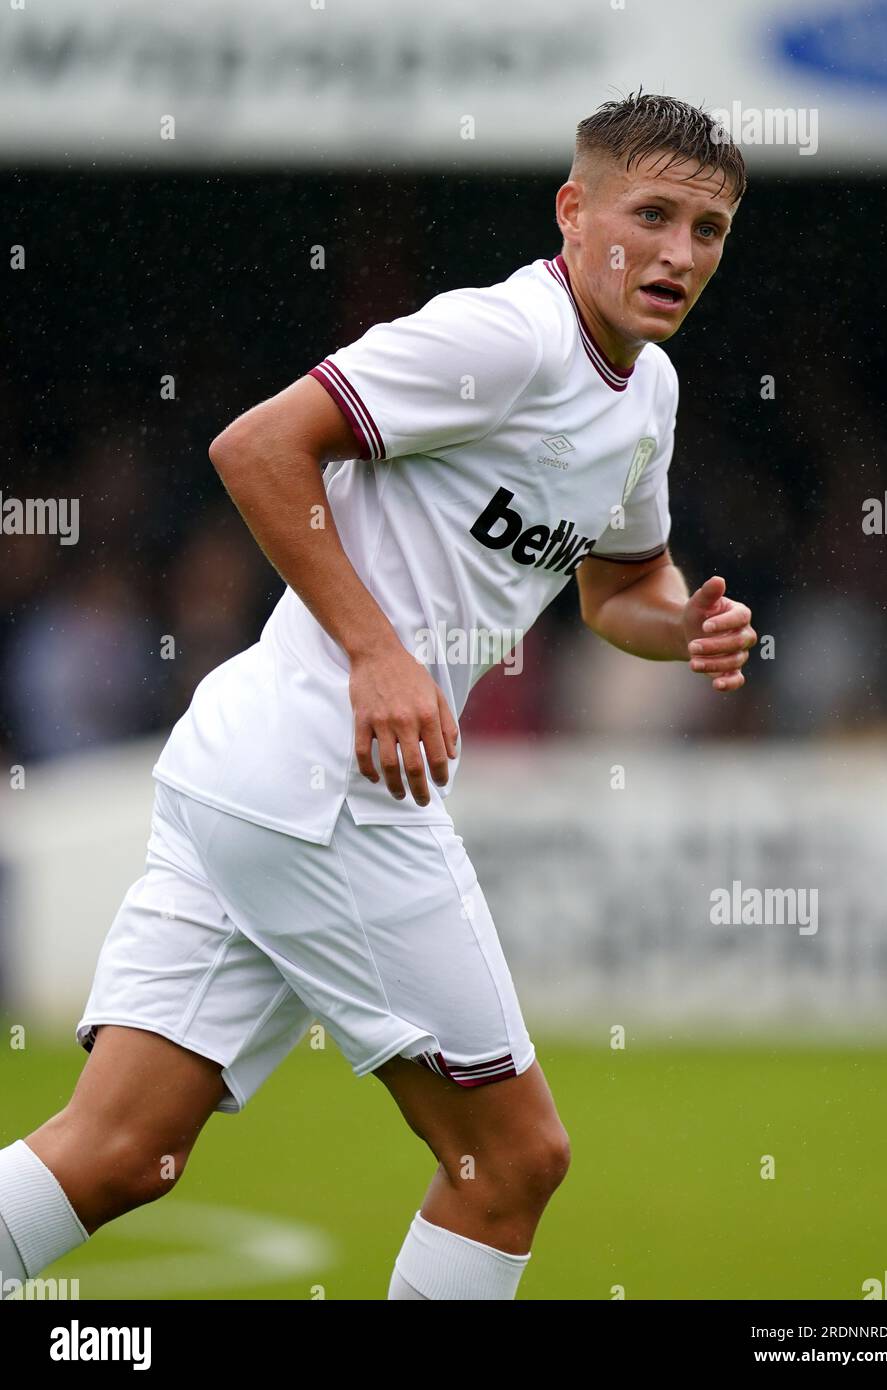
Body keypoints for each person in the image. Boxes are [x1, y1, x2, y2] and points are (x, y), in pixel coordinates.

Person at [0, 93, 756, 1302]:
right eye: (651, 215)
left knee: (116, 1154)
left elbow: (623, 588)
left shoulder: (645, 397)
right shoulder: (502, 338)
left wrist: (691, 624)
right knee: (510, 1160)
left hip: (249, 776)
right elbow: (256, 447)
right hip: (327, 781)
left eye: (708, 229)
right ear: (574, 211)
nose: (677, 253)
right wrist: (377, 650)